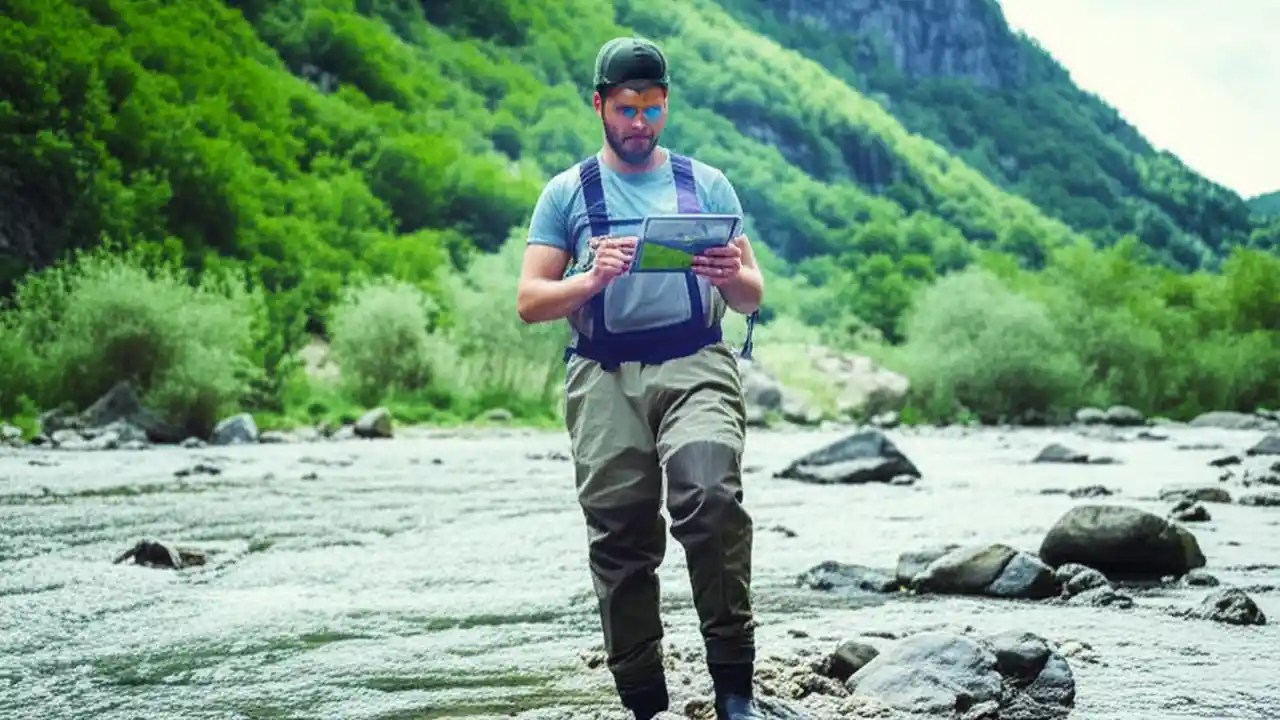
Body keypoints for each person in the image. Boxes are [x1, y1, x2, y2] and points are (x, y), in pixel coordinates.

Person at [515, 36, 766, 720]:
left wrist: (730, 275)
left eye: (653, 111)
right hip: (602, 375)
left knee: (711, 497)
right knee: (619, 536)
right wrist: (589, 276)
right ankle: (645, 703)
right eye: (627, 110)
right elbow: (531, 301)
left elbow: (751, 294)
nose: (640, 125)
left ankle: (734, 691)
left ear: (666, 104)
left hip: (696, 362)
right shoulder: (567, 193)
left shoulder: (706, 184)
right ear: (599, 105)